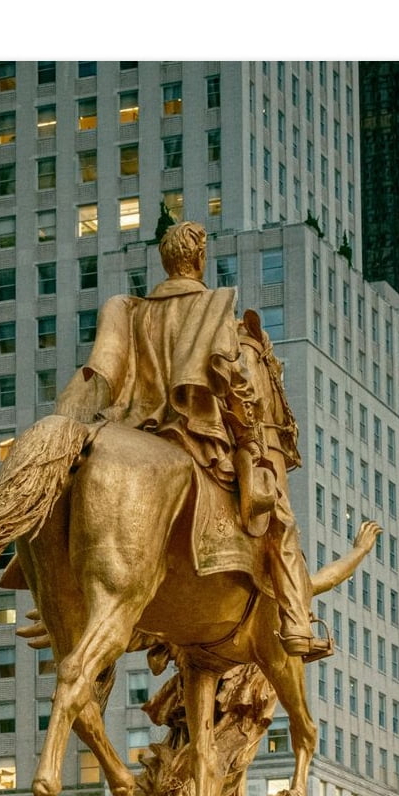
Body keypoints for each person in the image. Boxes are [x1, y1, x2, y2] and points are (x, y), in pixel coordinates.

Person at [59, 220, 331, 659]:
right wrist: (251, 441)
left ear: (165, 263)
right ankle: (298, 624)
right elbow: (234, 381)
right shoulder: (213, 309)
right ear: (200, 260)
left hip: (129, 429)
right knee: (281, 522)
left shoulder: (127, 309)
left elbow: (103, 370)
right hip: (190, 435)